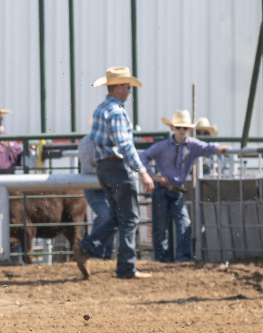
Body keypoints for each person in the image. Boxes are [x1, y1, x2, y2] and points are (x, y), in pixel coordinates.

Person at [73, 66, 155, 280]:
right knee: (129, 218)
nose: (129, 91)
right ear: (118, 87)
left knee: (120, 216)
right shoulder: (117, 111)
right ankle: (126, 267)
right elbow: (125, 145)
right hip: (118, 168)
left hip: (103, 168)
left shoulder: (101, 109)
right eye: (128, 87)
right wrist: (143, 172)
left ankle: (87, 246)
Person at [139, 110, 229, 263]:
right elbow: (142, 157)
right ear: (173, 128)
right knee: (161, 227)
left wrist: (218, 148)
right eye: (179, 127)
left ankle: (181, 259)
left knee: (183, 224)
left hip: (176, 190)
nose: (182, 130)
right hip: (163, 189)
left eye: (185, 128)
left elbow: (207, 147)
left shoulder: (191, 145)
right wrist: (153, 176)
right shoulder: (163, 146)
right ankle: (165, 260)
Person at [78, 133, 114, 260]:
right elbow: (87, 167)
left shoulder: (108, 140)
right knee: (107, 216)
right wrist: (107, 167)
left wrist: (99, 165)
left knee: (110, 217)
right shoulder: (86, 142)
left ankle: (97, 251)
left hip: (106, 185)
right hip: (95, 186)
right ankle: (94, 249)